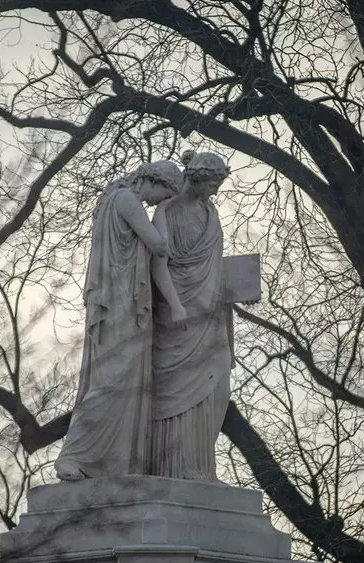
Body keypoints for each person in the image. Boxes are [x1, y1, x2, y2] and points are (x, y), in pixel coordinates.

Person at [54, 161, 185, 481]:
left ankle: (111, 460)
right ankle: (74, 454)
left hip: (123, 300)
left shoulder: (116, 199)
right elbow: (158, 245)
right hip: (118, 302)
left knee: (125, 381)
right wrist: (165, 213)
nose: (159, 201)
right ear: (154, 181)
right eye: (164, 194)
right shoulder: (126, 200)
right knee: (112, 379)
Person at [149, 150, 232, 481]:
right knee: (176, 390)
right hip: (177, 314)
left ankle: (201, 467)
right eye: (212, 184)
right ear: (196, 178)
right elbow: (159, 262)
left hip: (209, 311)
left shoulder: (210, 212)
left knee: (219, 382)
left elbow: (214, 264)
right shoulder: (165, 211)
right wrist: (176, 304)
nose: (215, 192)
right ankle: (177, 468)